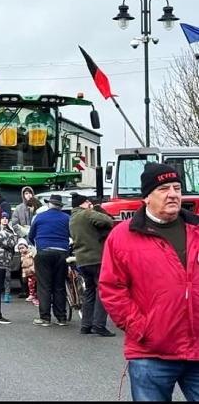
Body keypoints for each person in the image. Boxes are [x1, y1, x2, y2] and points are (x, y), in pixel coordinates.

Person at [100, 163, 199, 401]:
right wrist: (142, 328)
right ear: (147, 197)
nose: (173, 194)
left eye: (176, 187)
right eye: (164, 188)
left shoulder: (196, 229)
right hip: (150, 353)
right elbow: (112, 289)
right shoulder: (123, 236)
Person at [68, 192, 114, 337]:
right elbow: (107, 220)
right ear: (83, 203)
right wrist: (96, 209)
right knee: (103, 290)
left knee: (89, 291)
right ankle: (99, 324)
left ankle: (86, 325)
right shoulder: (87, 214)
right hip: (96, 258)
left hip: (82, 260)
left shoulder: (72, 218)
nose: (89, 204)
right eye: (87, 202)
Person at [29, 193, 70, 327]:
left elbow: (31, 236)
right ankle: (61, 318)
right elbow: (71, 234)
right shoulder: (66, 218)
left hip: (44, 252)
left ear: (48, 204)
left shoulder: (39, 217)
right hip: (62, 253)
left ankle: (45, 318)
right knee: (59, 285)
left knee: (44, 285)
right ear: (60, 206)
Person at [17, 238, 38, 305]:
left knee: (34, 284)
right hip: (28, 272)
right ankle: (32, 295)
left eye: (22, 248)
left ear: (26, 247)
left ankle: (35, 295)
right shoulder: (22, 257)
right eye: (20, 249)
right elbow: (23, 266)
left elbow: (35, 257)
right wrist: (24, 274)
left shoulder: (30, 253)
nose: (21, 250)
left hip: (33, 271)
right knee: (30, 284)